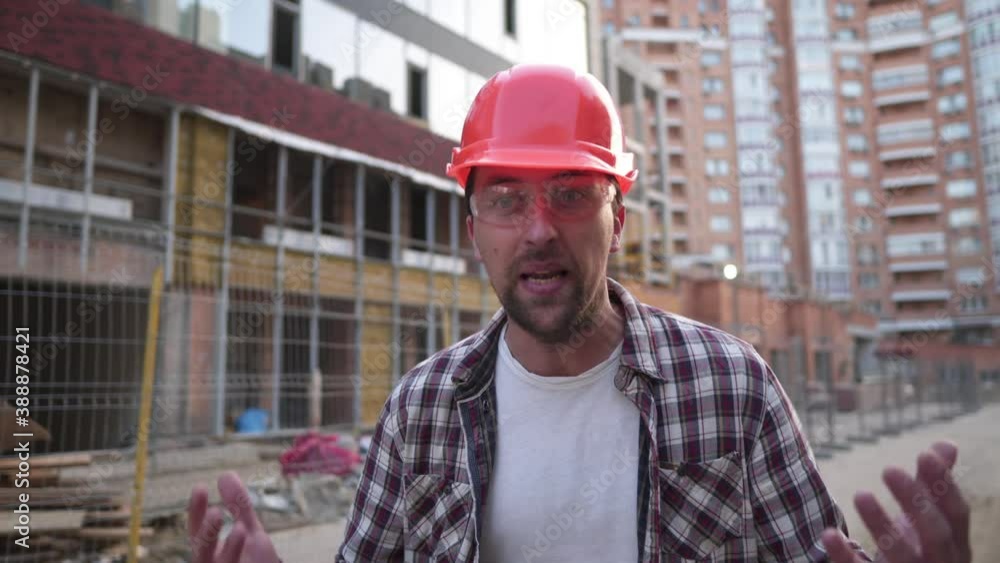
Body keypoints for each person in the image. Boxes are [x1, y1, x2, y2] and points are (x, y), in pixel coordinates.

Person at [187, 64, 972, 563]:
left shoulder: (733, 387)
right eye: (506, 199)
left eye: (570, 193)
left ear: (617, 220)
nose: (538, 229)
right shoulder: (419, 411)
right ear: (473, 231)